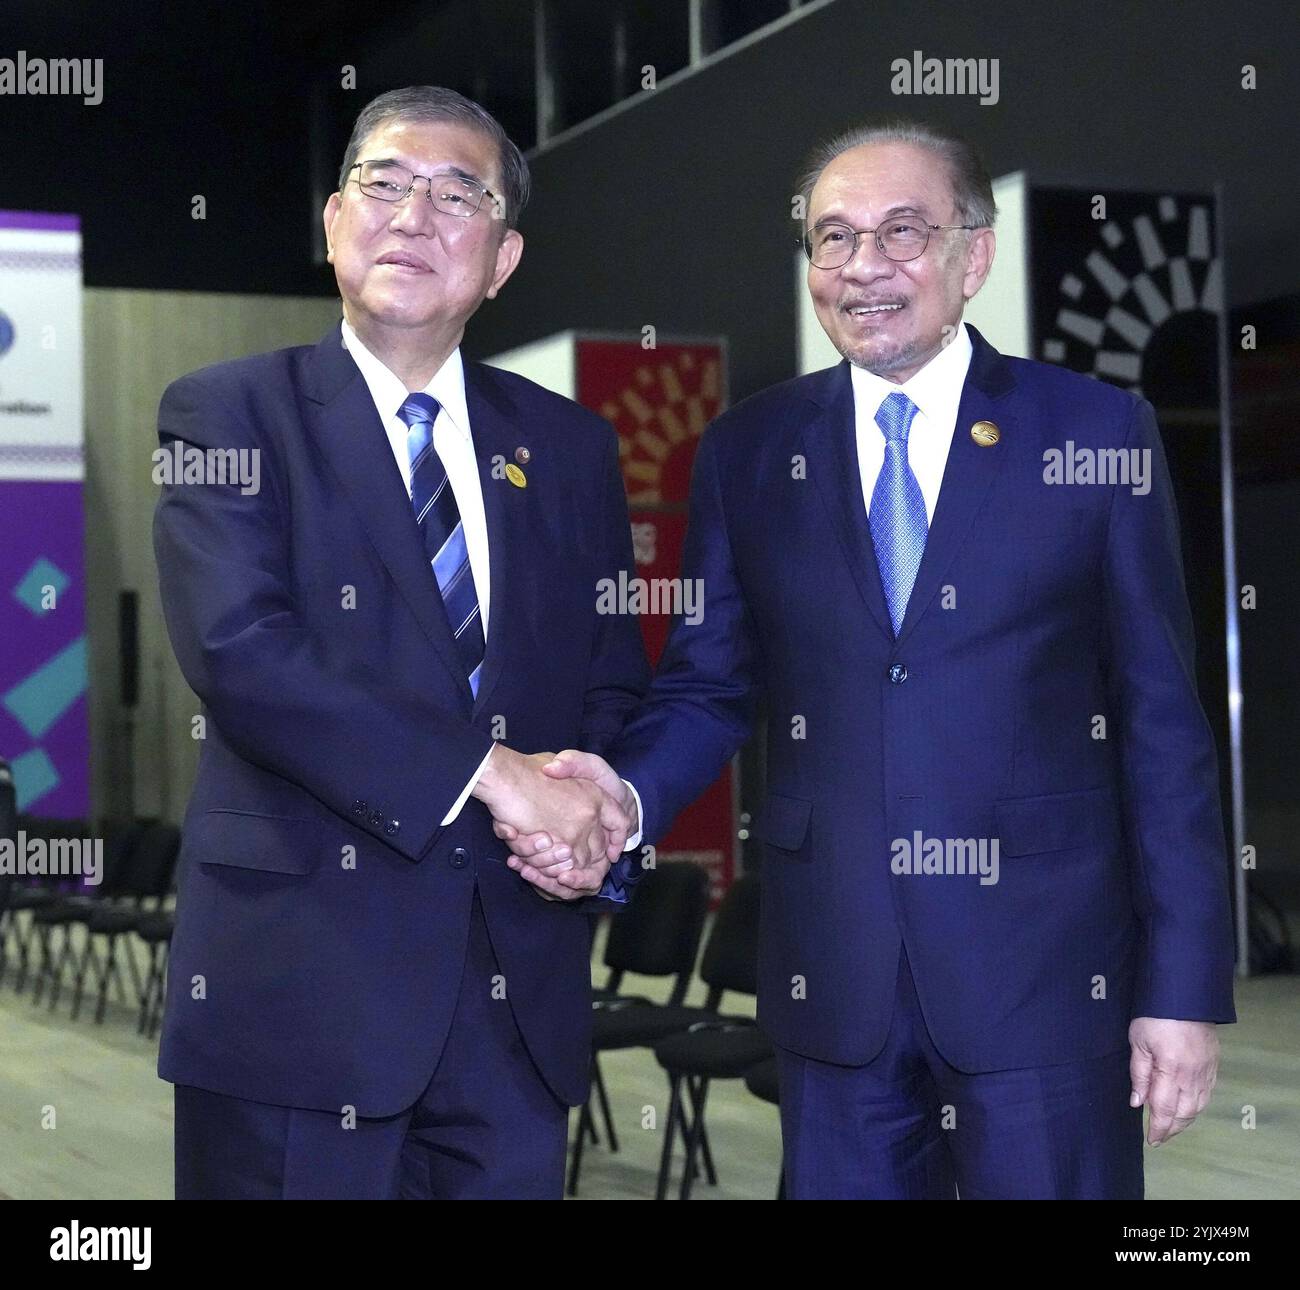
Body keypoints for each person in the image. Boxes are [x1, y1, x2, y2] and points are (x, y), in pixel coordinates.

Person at [502, 119, 1236, 1199]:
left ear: (972, 255)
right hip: (833, 981)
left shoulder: (1092, 431)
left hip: (1042, 982)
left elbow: (1162, 724)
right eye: (831, 239)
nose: (863, 268)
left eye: (901, 232)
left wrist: (1180, 988)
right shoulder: (748, 451)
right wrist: (617, 791)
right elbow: (709, 684)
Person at [153, 86, 646, 1199]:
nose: (413, 215)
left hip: (516, 1010)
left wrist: (596, 807)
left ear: (503, 257)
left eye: (457, 193)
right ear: (333, 221)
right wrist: (496, 775)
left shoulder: (569, 448)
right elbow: (243, 655)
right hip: (297, 1006)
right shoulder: (226, 414)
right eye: (383, 183)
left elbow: (612, 677)